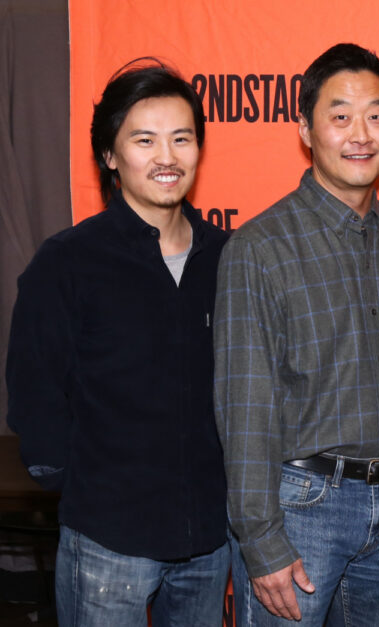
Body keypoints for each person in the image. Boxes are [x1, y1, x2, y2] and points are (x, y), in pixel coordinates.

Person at [215, 43, 379, 625]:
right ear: (306, 131)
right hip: (299, 509)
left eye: (377, 115)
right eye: (340, 117)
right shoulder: (258, 249)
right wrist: (261, 542)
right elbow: (245, 409)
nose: (360, 134)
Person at [5, 60, 230, 626]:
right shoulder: (69, 262)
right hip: (109, 536)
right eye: (144, 139)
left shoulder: (231, 259)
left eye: (182, 138)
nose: (167, 156)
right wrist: (68, 482)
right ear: (110, 156)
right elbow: (35, 387)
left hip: (209, 535)